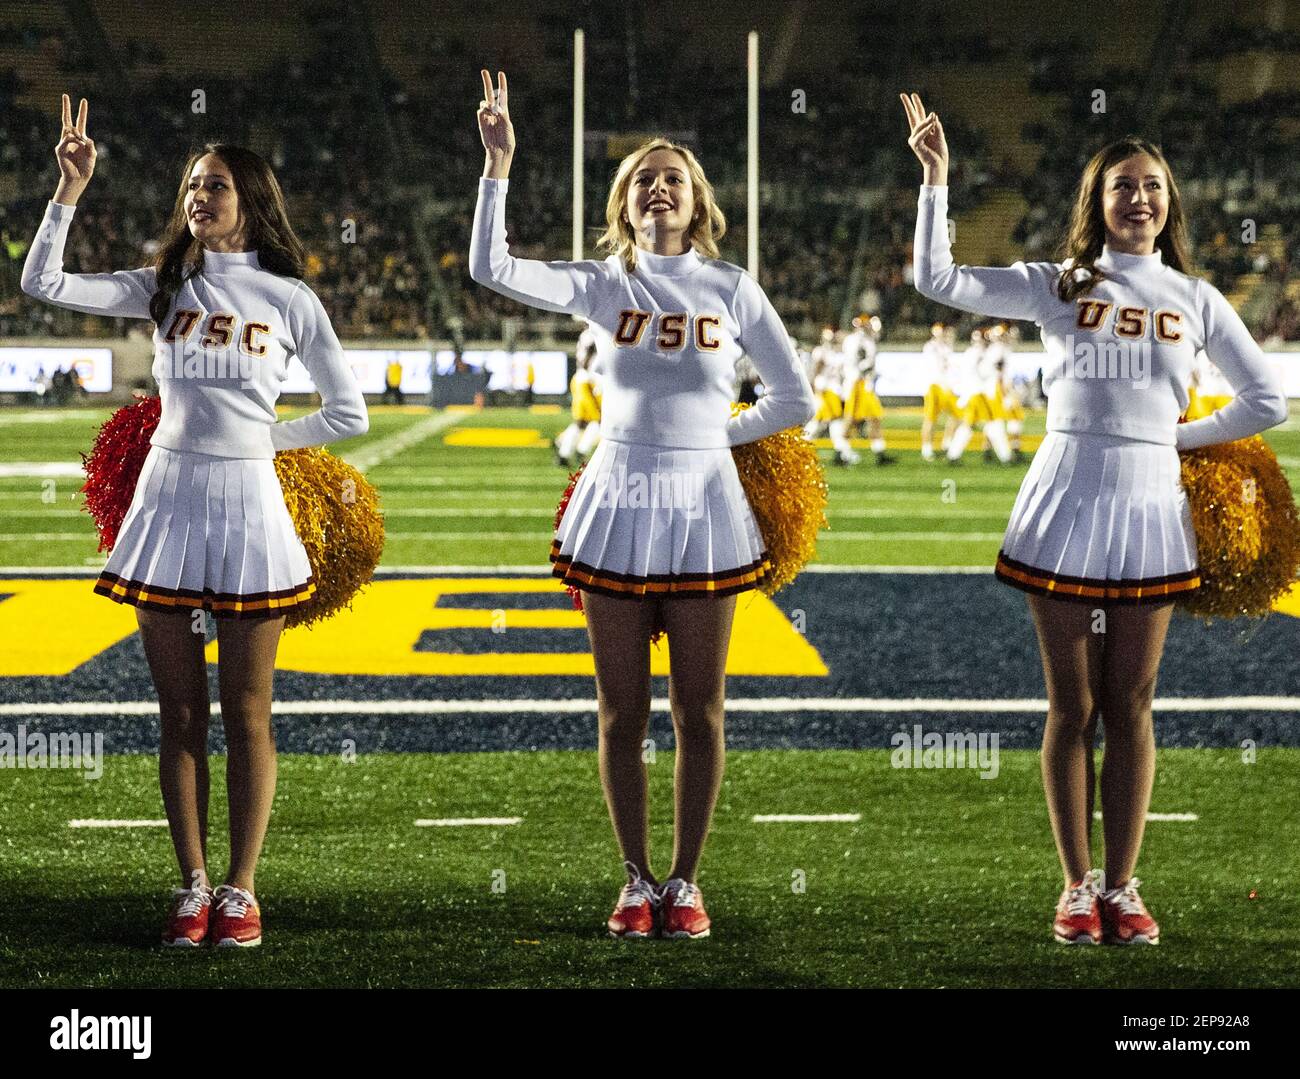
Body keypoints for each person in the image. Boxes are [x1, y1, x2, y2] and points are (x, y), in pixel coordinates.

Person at [902, 92, 1287, 945]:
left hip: (1153, 503)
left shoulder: (1195, 296)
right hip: (1067, 497)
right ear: (1098, 202)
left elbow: (1267, 400)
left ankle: (1124, 883)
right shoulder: (1060, 284)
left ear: (1169, 203)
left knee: (1135, 702)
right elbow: (938, 280)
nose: (1139, 198)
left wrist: (1179, 437)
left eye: (1152, 186)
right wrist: (938, 182)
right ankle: (1076, 886)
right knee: (1071, 705)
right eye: (1122, 186)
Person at [471, 70, 815, 939]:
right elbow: (490, 266)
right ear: (624, 205)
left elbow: (795, 397)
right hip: (617, 502)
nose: (658, 185)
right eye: (642, 179)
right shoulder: (601, 282)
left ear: (698, 203)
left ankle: (687, 880)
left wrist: (712, 437)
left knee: (699, 710)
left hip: (705, 511)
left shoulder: (731, 287)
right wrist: (498, 165)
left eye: (674, 178)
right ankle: (633, 877)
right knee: (622, 710)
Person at [21, 95, 369, 948]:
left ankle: (242, 888)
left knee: (248, 711)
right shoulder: (162, 284)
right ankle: (192, 883)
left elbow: (349, 412)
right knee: (179, 712)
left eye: (212, 184)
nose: (196, 197)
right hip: (168, 503)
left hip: (250, 503)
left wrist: (263, 442)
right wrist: (69, 190)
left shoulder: (289, 296)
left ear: (249, 197)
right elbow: (42, 283)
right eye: (189, 185)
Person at [919, 321, 960, 461]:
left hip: (945, 386)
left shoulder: (946, 347)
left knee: (957, 415)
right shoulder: (930, 347)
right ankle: (926, 449)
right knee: (930, 418)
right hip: (934, 386)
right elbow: (938, 367)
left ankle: (946, 444)